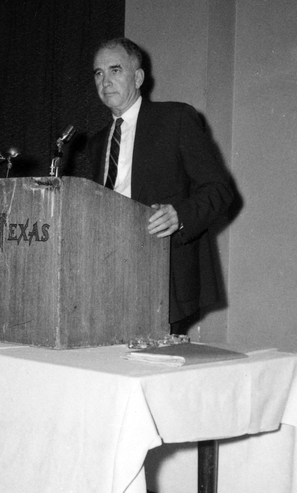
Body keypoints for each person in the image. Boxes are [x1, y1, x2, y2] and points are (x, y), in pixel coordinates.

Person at [86, 37, 235, 335]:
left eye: (115, 70)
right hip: (106, 274)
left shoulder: (175, 119)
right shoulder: (95, 143)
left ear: (138, 77)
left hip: (163, 271)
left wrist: (179, 215)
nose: (105, 81)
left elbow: (219, 190)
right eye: (98, 73)